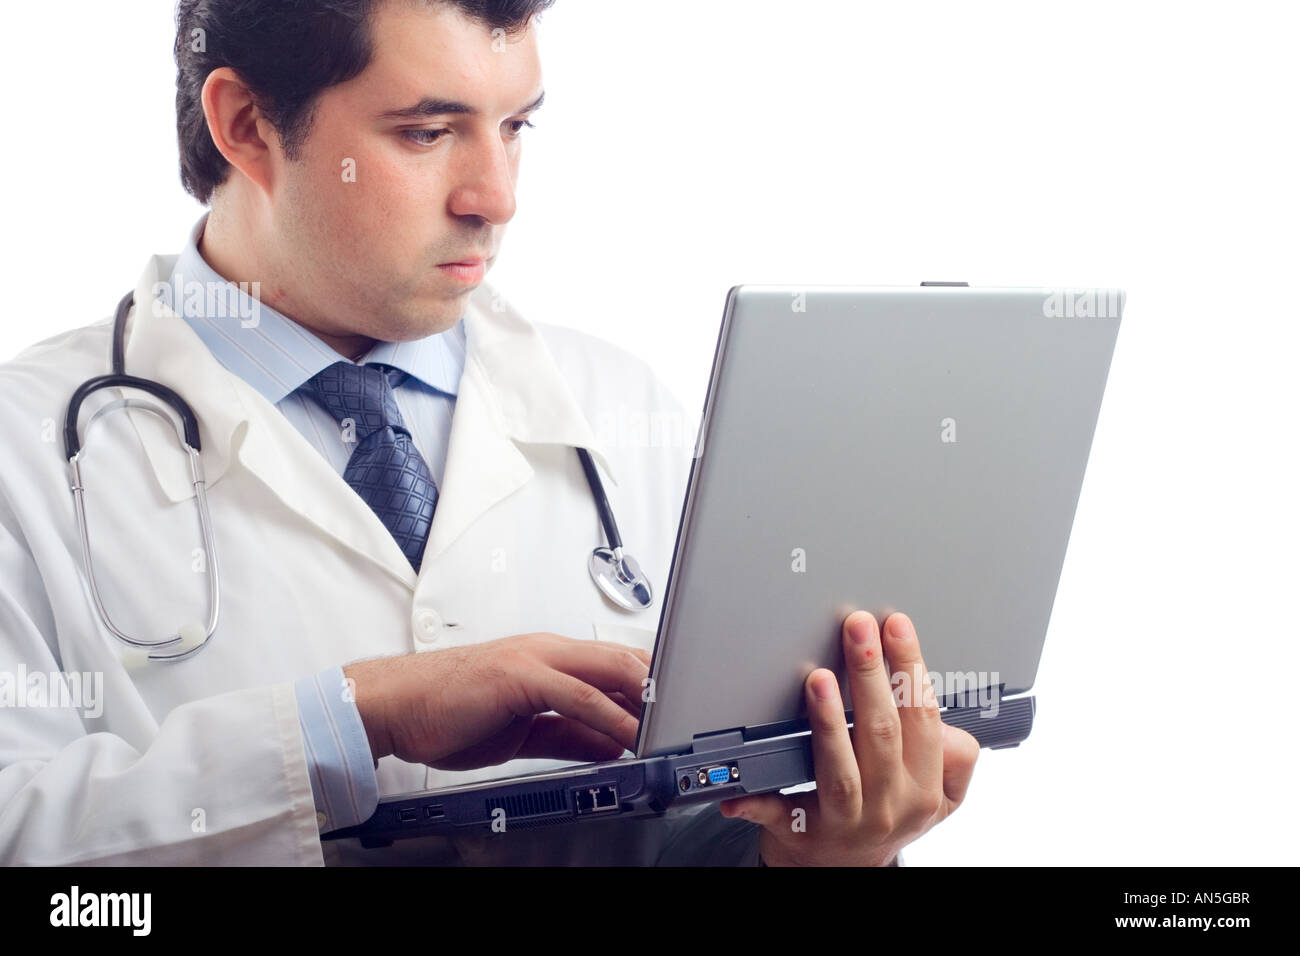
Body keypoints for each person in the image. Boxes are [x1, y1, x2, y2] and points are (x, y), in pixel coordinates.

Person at [0, 0, 979, 865]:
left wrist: (821, 853)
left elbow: (681, 831)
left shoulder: (617, 406)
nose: (495, 196)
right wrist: (357, 714)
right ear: (246, 125)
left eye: (514, 126)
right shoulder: (24, 448)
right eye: (428, 133)